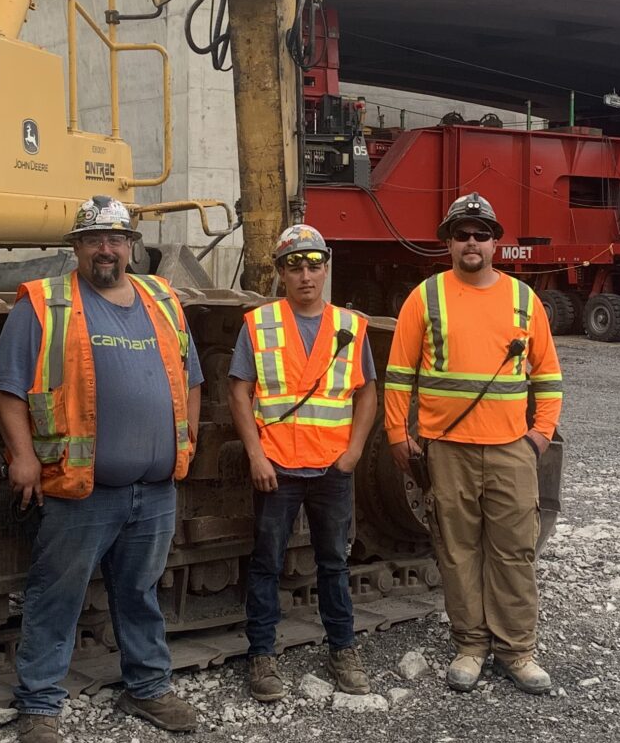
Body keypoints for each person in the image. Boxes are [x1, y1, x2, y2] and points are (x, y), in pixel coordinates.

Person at [0, 195, 204, 743]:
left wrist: (188, 440)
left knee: (140, 591)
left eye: (116, 238)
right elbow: (8, 390)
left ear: (131, 245)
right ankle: (38, 706)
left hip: (154, 487)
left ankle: (149, 689)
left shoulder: (163, 298)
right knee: (56, 596)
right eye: (93, 239)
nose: (106, 249)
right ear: (77, 248)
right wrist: (23, 457)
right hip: (81, 488)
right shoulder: (44, 305)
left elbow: (191, 377)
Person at [385, 192, 563, 695]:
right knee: (458, 551)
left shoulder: (524, 301)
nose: (471, 242)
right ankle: (471, 645)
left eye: (481, 234)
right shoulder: (426, 297)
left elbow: (547, 375)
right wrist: (397, 431)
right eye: (461, 233)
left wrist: (541, 433)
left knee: (514, 550)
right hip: (448, 448)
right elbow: (400, 373)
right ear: (448, 242)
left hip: (510, 447)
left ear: (494, 243)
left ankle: (517, 651)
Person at [229, 225, 380, 703]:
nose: (306, 274)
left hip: (332, 469)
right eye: (294, 265)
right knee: (267, 563)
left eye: (314, 264)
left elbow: (367, 391)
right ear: (280, 273)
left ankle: (342, 648)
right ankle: (262, 655)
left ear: (326, 268)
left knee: (334, 562)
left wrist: (353, 451)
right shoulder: (259, 323)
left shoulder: (350, 327)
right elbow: (239, 389)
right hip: (277, 466)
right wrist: (255, 453)